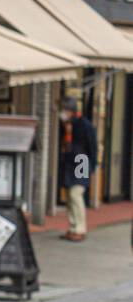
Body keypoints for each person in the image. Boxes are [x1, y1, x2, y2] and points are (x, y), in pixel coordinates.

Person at [58, 96, 97, 242]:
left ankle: (80, 228)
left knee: (76, 193)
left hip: (82, 162)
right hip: (69, 162)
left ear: (71, 111)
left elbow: (92, 146)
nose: (63, 113)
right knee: (69, 195)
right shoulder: (65, 125)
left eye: (65, 110)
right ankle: (73, 226)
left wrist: (92, 167)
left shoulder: (84, 125)